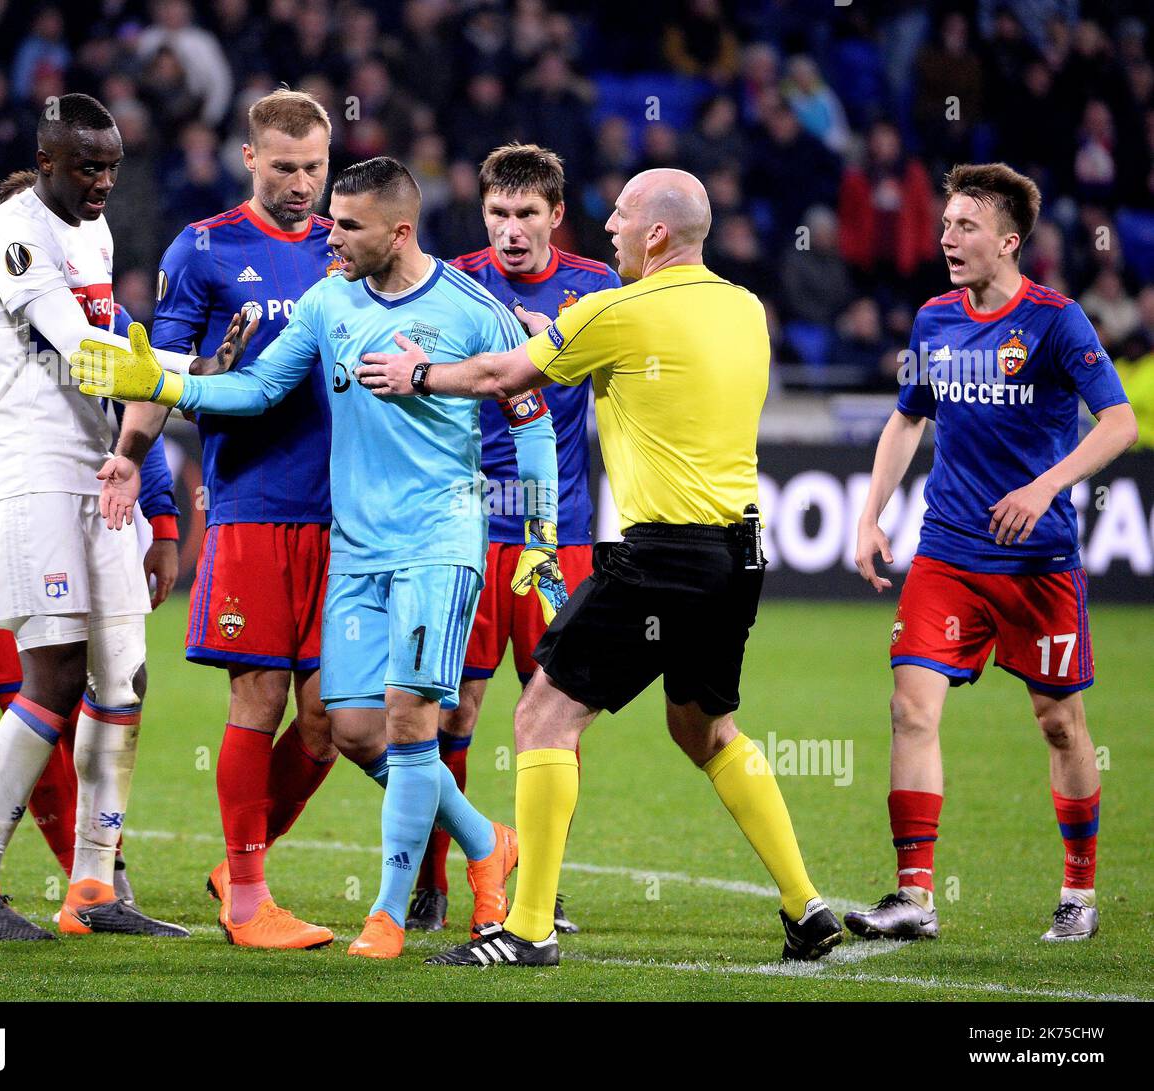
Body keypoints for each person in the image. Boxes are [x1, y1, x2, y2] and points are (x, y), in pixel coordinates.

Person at [72, 156, 560, 961]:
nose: (328, 235)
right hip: (356, 548)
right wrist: (164, 382)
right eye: (330, 218)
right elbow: (258, 389)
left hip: (439, 543)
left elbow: (533, 419)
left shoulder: (474, 309)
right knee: (356, 729)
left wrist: (539, 535)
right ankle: (488, 843)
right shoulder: (331, 302)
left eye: (348, 225)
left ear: (399, 231)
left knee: (407, 718)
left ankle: (388, 915)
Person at [356, 167, 842, 968]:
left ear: (655, 233)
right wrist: (543, 327)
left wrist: (418, 374)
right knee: (705, 727)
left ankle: (530, 927)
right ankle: (807, 905)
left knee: (542, 716)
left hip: (662, 554)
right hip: (740, 551)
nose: (607, 225)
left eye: (618, 215)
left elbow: (500, 377)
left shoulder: (615, 310)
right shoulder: (746, 308)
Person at [0, 93, 246, 942]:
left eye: (112, 163)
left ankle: (94, 886)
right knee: (56, 674)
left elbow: (111, 362)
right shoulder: (16, 231)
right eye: (87, 165)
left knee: (123, 678)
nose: (104, 178)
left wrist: (179, 374)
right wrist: (193, 373)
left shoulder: (96, 232)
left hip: (90, 469)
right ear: (48, 162)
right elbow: (83, 346)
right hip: (26, 471)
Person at [848, 163, 1137, 943]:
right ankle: (914, 896)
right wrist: (871, 516)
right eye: (945, 224)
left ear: (1009, 241)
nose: (948, 237)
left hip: (1037, 561)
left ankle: (1079, 891)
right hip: (947, 551)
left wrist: (1045, 486)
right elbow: (907, 419)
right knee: (910, 707)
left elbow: (1118, 424)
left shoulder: (1056, 320)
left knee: (1061, 724)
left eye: (966, 226)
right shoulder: (933, 320)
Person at [100, 88, 340, 951]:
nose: (303, 183)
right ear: (249, 159)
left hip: (346, 513)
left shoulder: (344, 246)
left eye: (315, 166)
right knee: (260, 695)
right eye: (285, 167)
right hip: (252, 508)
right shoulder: (203, 249)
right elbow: (160, 370)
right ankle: (249, 897)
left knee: (331, 721)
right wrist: (133, 455)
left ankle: (243, 865)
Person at [0, 174, 180, 900]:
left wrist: (164, 516)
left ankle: (98, 877)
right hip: (8, 519)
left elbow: (135, 417)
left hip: (93, 508)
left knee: (115, 677)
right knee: (36, 689)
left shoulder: (105, 312)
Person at [407, 143, 619, 935]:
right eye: (498, 212)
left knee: (552, 712)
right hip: (463, 528)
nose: (511, 229)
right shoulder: (454, 281)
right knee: (449, 711)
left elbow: (626, 385)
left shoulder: (596, 288)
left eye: (527, 214)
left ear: (556, 216)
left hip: (553, 537)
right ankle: (434, 880)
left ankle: (540, 888)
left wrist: (553, 344)